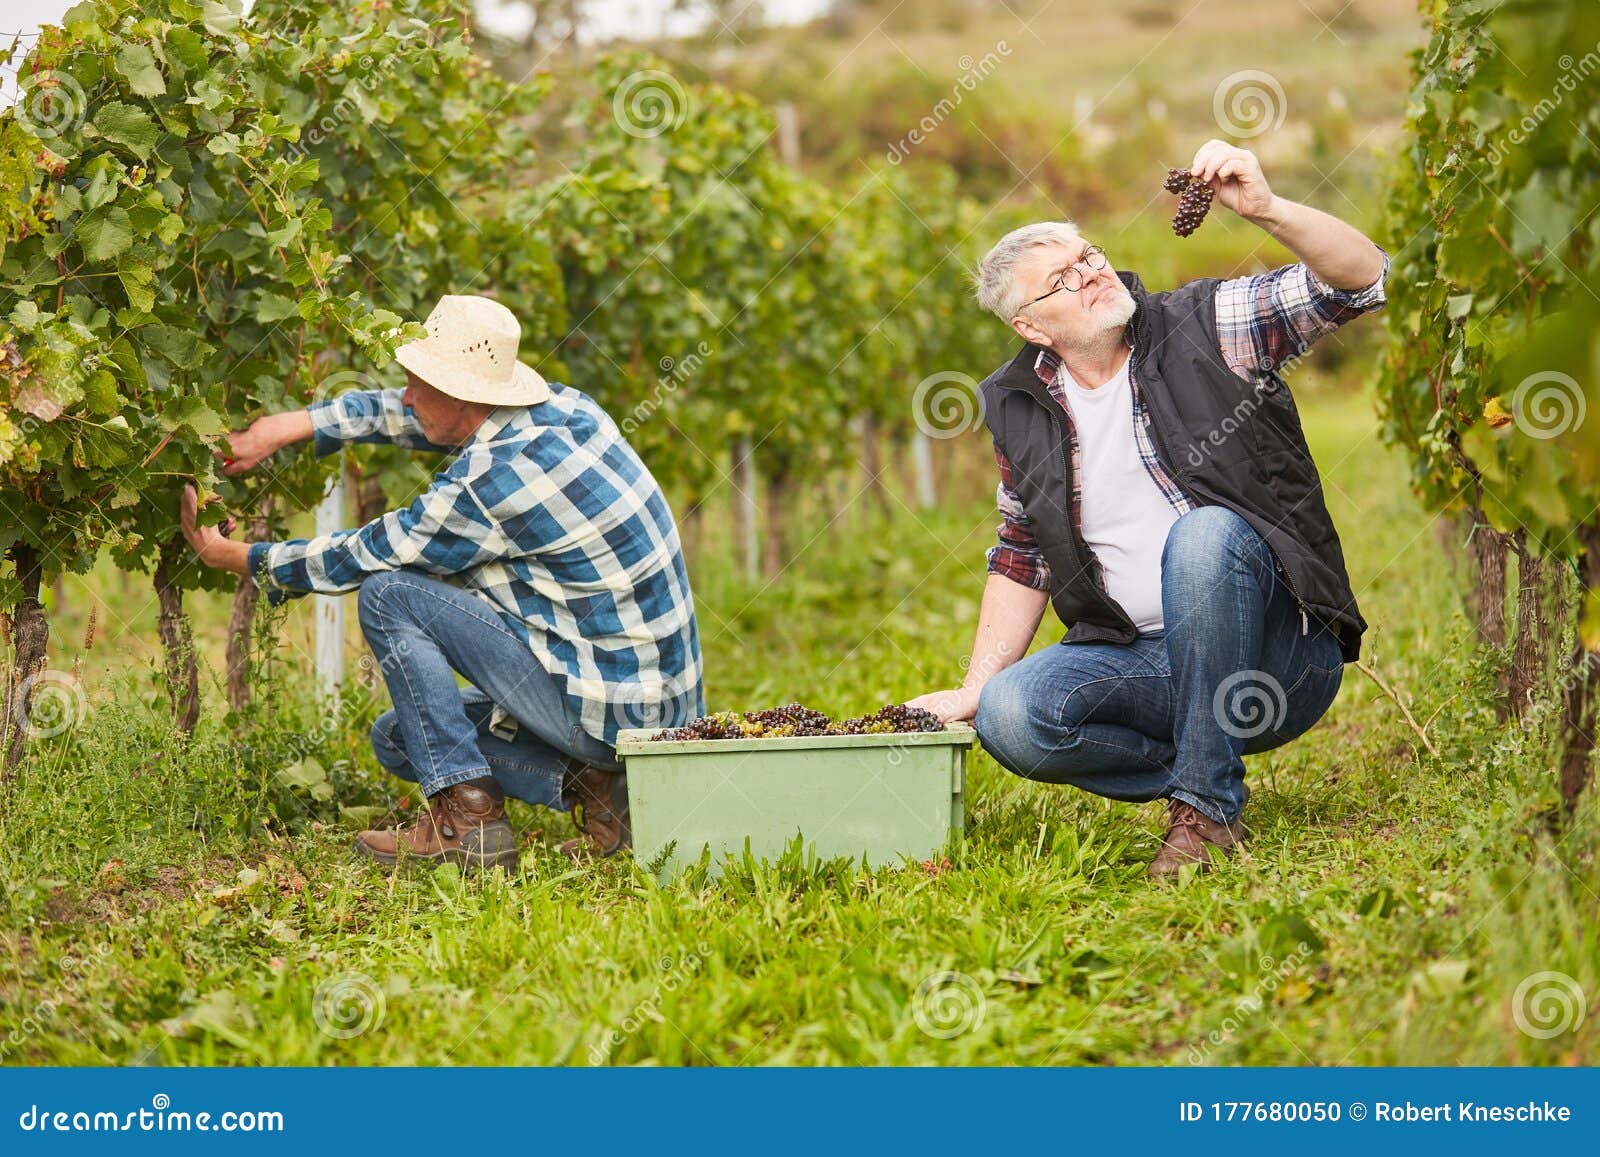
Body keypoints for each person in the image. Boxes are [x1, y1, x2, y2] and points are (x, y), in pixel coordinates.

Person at [908, 140, 1387, 878]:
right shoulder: (1019, 404)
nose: (1092, 273)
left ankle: (1205, 809)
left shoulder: (1206, 323)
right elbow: (1022, 553)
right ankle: (1205, 755)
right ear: (1031, 328)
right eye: (1061, 280)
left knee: (1203, 537)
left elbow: (1361, 283)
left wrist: (1267, 209)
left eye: (1088, 256)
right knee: (1012, 715)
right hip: (1143, 660)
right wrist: (976, 687)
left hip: (1276, 658)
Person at [179, 294, 703, 869]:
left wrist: (234, 556)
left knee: (389, 592)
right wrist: (288, 427)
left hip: (608, 712)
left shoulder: (490, 482)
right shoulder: (567, 410)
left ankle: (468, 823)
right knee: (401, 739)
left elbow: (366, 554)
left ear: (461, 395)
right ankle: (601, 792)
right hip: (649, 710)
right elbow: (417, 418)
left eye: (417, 382)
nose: (405, 395)